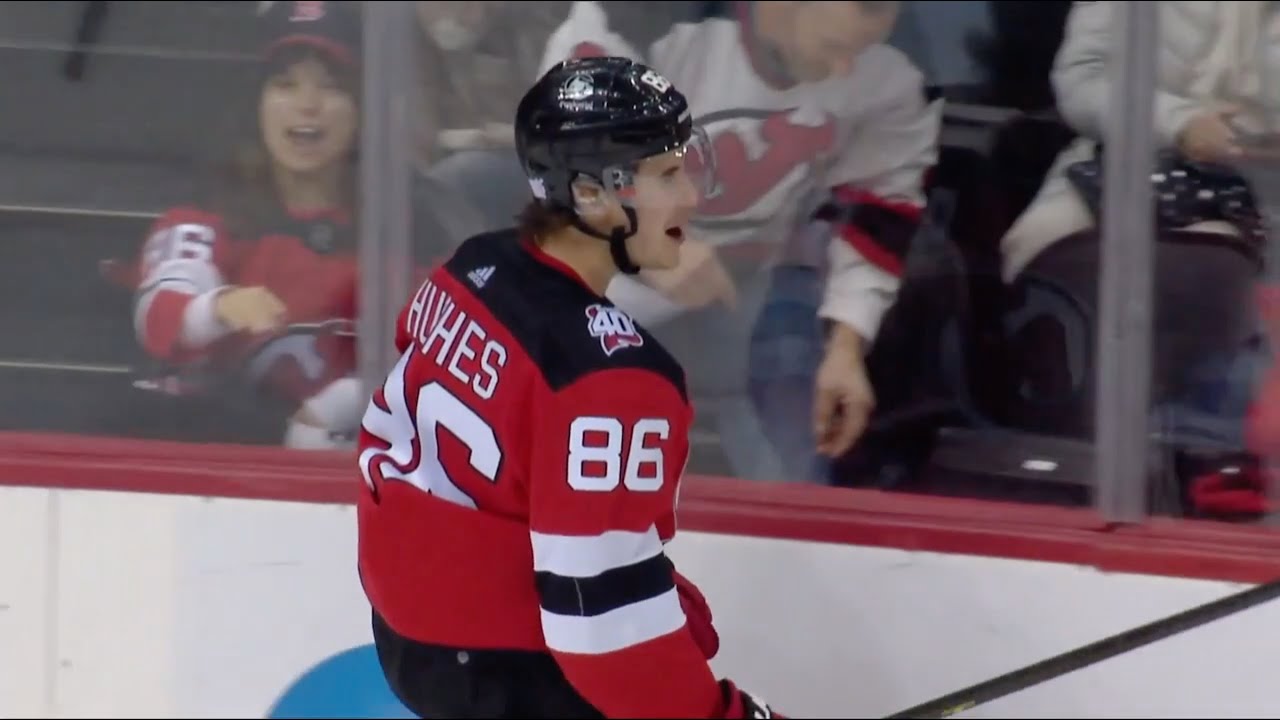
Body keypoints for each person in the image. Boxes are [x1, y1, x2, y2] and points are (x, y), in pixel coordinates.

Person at [356, 56, 783, 718]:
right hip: (506, 675)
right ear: (589, 195)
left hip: (409, 632)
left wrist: (642, 584)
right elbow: (603, 633)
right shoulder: (613, 379)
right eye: (666, 176)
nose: (691, 197)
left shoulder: (475, 265)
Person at [537, 1, 942, 483]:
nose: (844, 73)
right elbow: (565, 139)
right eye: (835, 47)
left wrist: (847, 344)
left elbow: (882, 206)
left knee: (796, 482)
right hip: (596, 291)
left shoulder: (897, 68)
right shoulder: (642, 17)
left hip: (754, 298)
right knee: (572, 481)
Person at [129, 1, 365, 449]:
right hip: (233, 468)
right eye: (285, 84)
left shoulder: (411, 226)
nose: (308, 106)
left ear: (362, 108)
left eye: (332, 87)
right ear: (255, 103)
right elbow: (161, 310)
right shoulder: (206, 215)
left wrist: (346, 406)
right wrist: (219, 307)